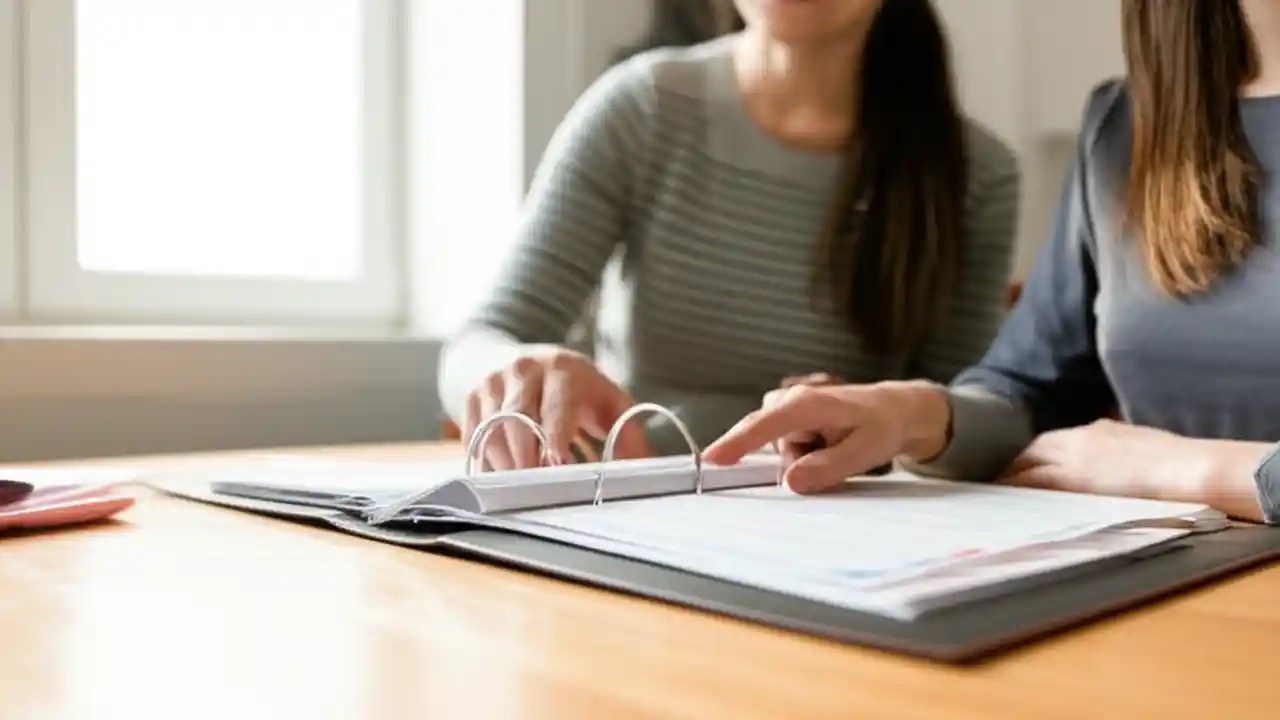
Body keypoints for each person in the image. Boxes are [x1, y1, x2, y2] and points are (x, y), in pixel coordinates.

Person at [704, 0, 1280, 525]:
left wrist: (1187, 471)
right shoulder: (1123, 125)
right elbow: (1031, 389)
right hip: (1180, 583)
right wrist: (913, 416)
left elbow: (1128, 462)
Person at [438, 0, 1020, 470]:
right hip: (637, 504)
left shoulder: (977, 173)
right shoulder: (642, 109)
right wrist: (517, 367)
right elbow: (482, 341)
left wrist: (878, 411)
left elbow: (967, 417)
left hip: (834, 522)